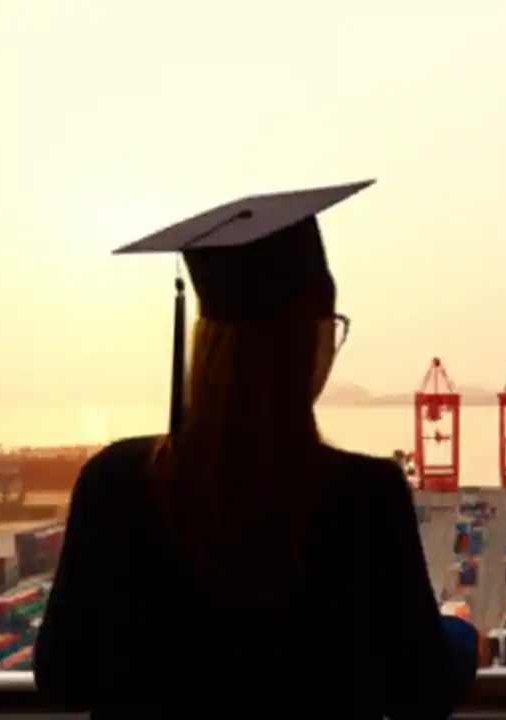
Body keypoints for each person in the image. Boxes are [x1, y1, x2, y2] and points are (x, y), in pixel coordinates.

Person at [34, 180, 478, 718]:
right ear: (310, 337)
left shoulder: (114, 482)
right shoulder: (365, 496)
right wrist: (459, 635)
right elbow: (420, 689)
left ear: (204, 337)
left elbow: (62, 675)